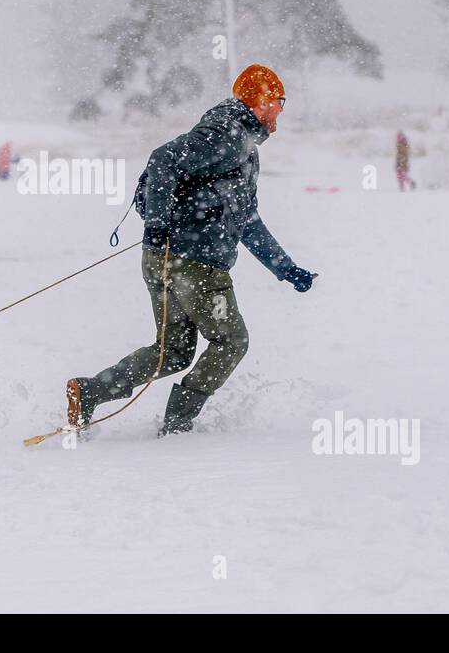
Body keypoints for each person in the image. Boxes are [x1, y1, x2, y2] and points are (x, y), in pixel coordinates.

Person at [66, 64, 317, 437]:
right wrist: (156, 223)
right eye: (277, 101)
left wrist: (285, 267)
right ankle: (178, 426)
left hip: (165, 260)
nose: (280, 110)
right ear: (259, 101)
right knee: (232, 341)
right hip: (194, 266)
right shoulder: (228, 135)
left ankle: (90, 392)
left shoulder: (244, 146)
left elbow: (247, 220)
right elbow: (162, 159)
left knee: (174, 351)